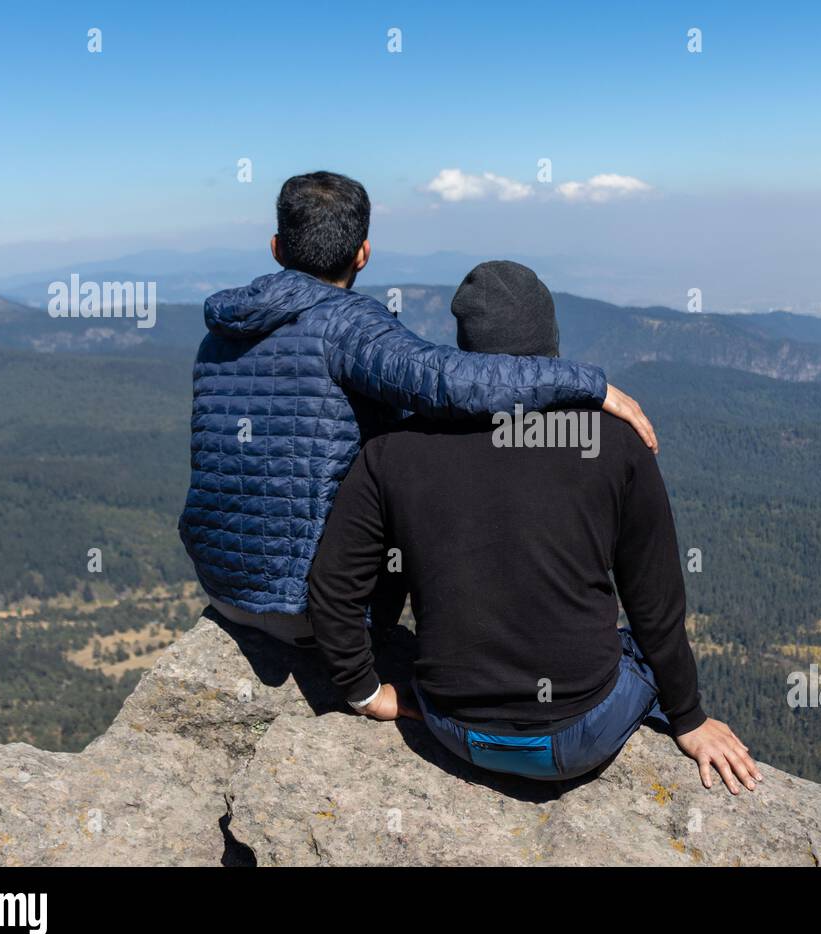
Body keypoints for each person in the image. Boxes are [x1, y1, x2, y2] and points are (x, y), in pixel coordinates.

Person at [308, 261, 760, 792]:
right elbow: (656, 607)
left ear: (464, 347)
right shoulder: (614, 443)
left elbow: (333, 587)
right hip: (584, 732)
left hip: (453, 728)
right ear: (551, 345)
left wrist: (366, 692)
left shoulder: (393, 450)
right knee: (634, 646)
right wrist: (689, 719)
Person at [177, 173, 655, 647]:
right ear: (363, 252)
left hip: (222, 588)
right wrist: (586, 383)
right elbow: (451, 380)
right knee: (419, 449)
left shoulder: (220, 332)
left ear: (277, 247)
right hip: (311, 610)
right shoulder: (346, 325)